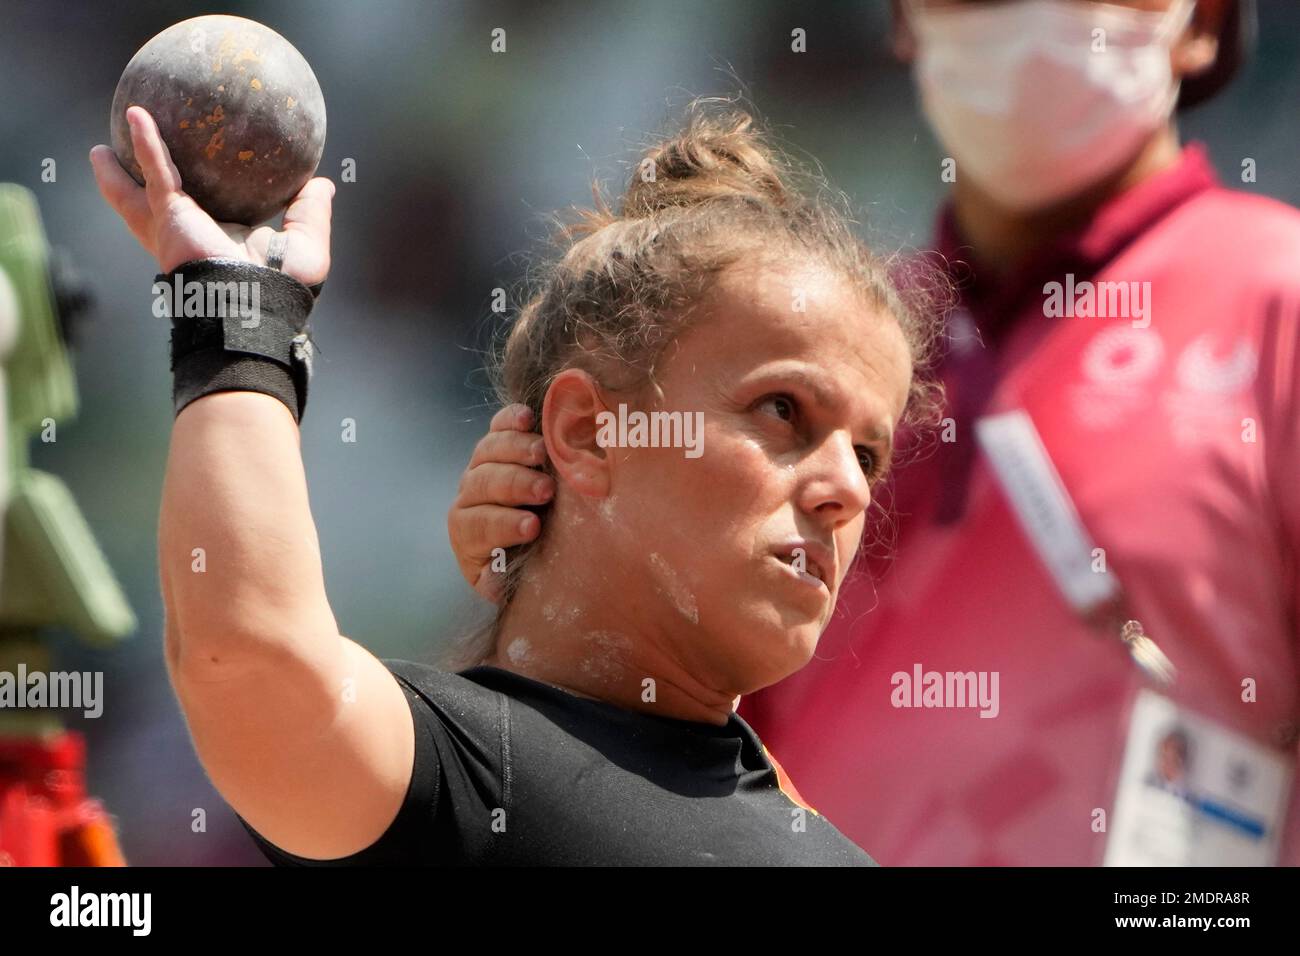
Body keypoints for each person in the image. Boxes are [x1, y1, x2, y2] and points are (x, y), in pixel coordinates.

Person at [450, 0, 1300, 865]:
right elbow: (650, 709)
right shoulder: (823, 336)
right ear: (904, 20)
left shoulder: (1282, 300)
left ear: (1204, 23)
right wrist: (548, 564)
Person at [89, 99, 943, 864]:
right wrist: (237, 319)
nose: (848, 489)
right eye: (783, 411)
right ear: (587, 431)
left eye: (869, 454)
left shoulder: (801, 827)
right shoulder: (466, 780)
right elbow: (250, 659)